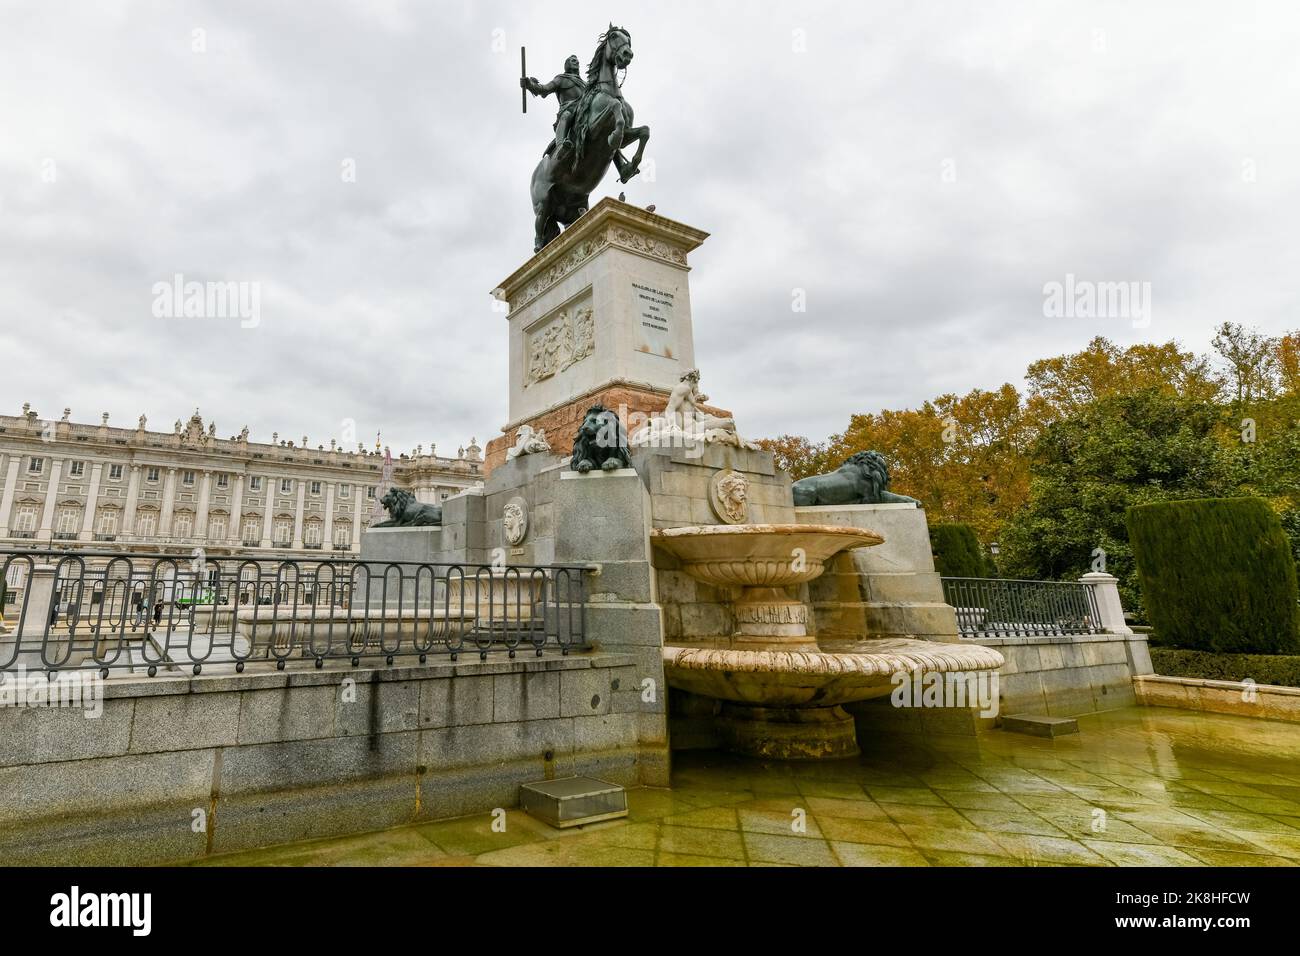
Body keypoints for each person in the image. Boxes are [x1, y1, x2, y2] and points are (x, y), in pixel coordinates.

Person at [521, 55, 586, 166]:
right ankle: (560, 146)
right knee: (565, 115)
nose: (576, 62)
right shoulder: (561, 79)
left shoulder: (586, 84)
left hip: (584, 112)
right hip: (569, 110)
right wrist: (529, 84)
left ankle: (620, 165)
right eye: (573, 60)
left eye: (577, 61)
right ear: (566, 65)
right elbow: (544, 89)